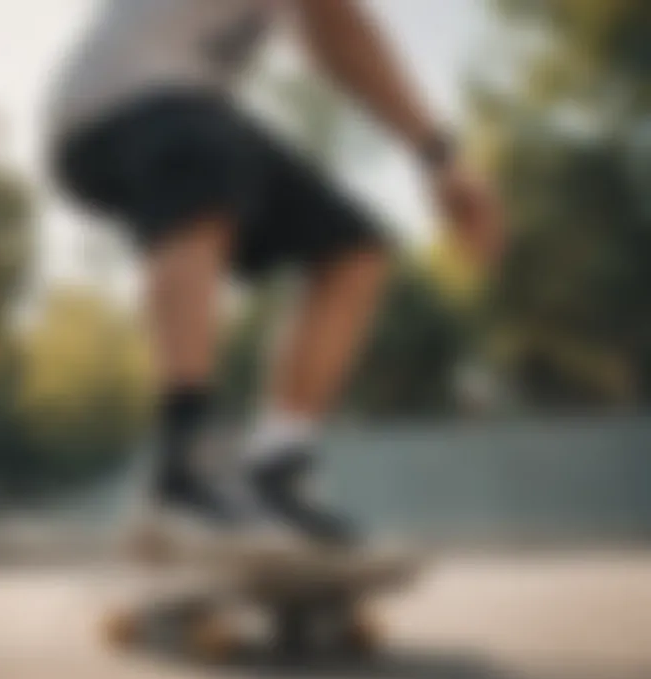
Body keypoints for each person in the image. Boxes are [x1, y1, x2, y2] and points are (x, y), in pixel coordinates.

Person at [47, 0, 502, 552]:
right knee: (204, 156)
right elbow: (343, 28)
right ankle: (182, 471)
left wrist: (433, 158)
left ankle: (275, 469)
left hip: (177, 106)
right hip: (123, 100)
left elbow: (329, 42)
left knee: (351, 246)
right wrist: (438, 157)